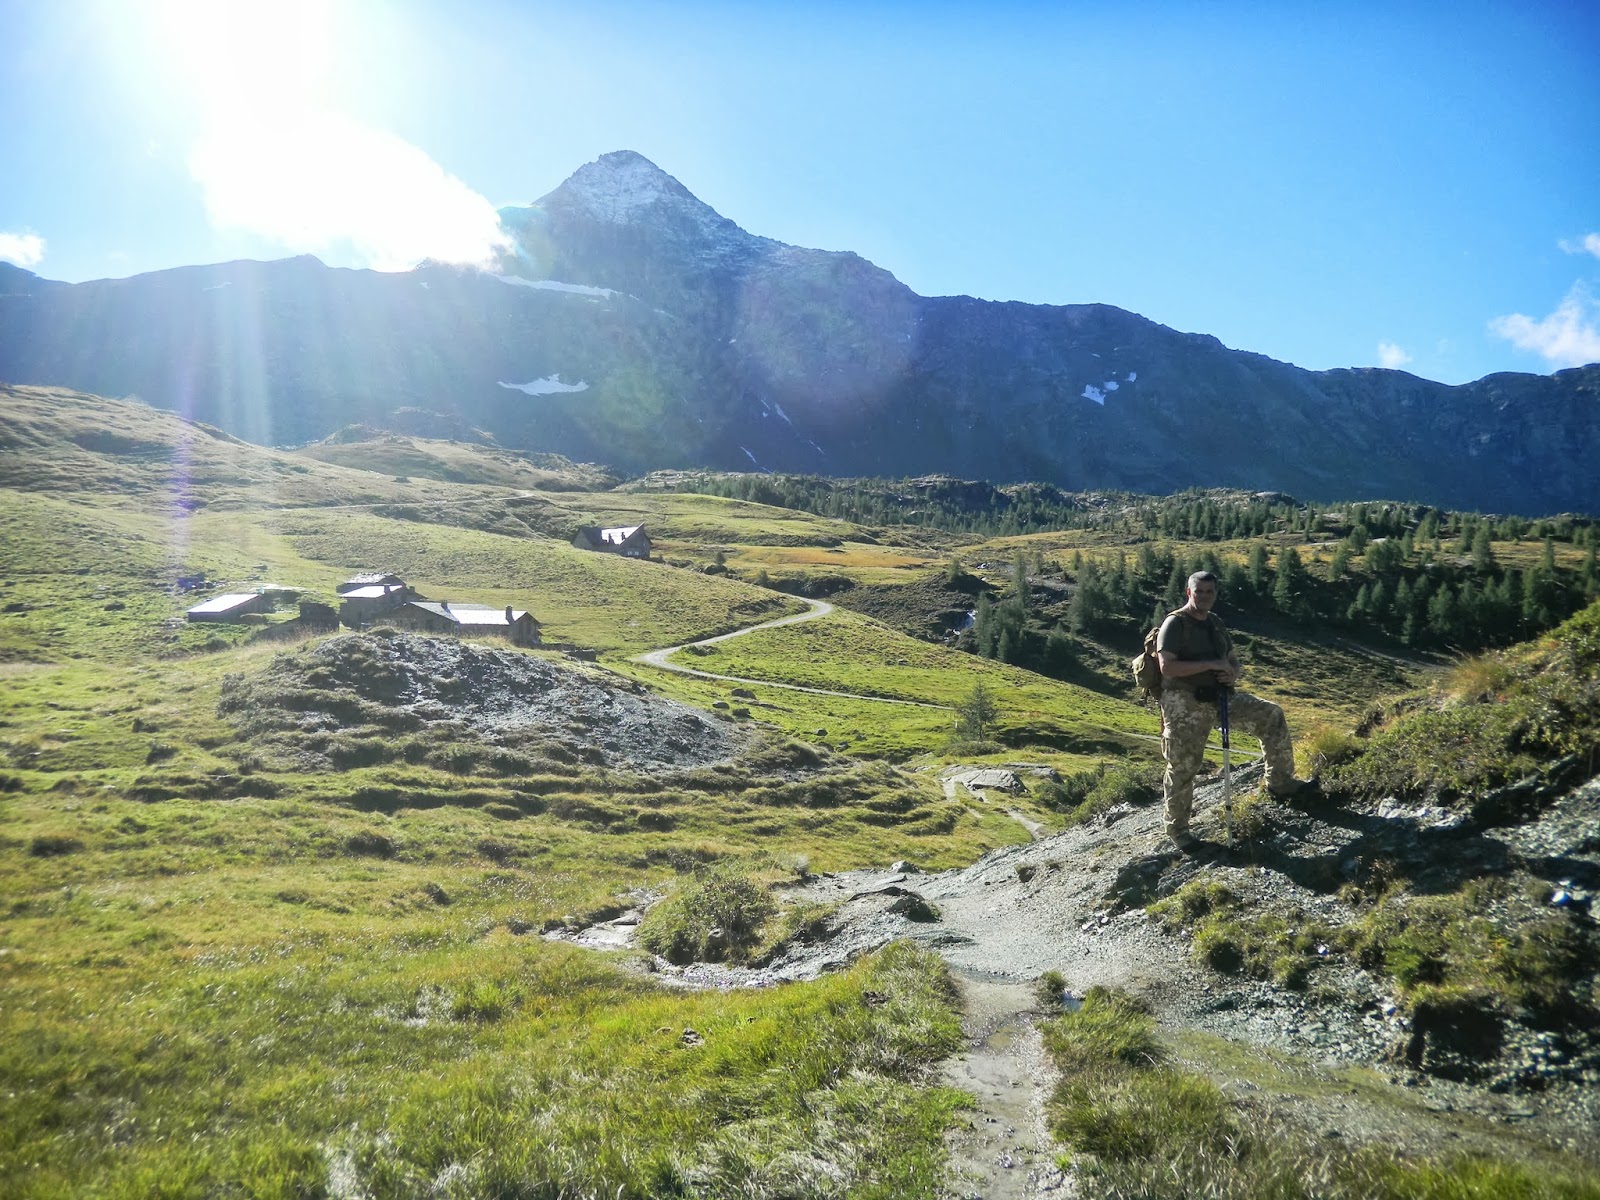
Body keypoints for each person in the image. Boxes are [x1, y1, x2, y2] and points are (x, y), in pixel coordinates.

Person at [1156, 570, 1313, 852]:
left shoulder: (1215, 623)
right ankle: (1178, 830)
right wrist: (1211, 665)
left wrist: (1231, 675)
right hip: (1184, 703)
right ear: (1188, 592)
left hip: (1219, 696)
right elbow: (1167, 666)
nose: (1204, 596)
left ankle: (1280, 782)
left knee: (1271, 715)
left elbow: (1231, 661)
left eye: (1210, 592)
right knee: (1183, 765)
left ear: (1215, 594)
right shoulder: (1175, 623)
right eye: (1199, 591)